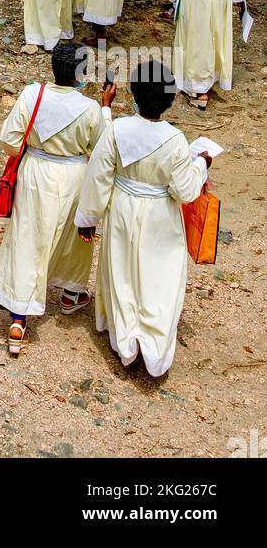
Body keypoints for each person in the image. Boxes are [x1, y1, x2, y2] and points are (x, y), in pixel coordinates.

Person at [74, 60, 213, 378]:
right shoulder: (175, 140)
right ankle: (153, 346)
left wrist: (88, 218)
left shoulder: (117, 130)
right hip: (160, 216)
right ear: (170, 100)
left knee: (122, 271)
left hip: (123, 208)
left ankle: (124, 339)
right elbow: (185, 190)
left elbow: (99, 177)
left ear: (134, 94)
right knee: (158, 277)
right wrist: (202, 165)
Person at [0, 41, 114, 358]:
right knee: (74, 235)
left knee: (29, 238)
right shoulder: (89, 110)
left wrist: (29, 152)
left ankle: (19, 319)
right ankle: (72, 292)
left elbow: (9, 140)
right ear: (81, 74)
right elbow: (102, 151)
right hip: (73, 176)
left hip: (34, 172)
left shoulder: (33, 94)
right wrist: (107, 108)